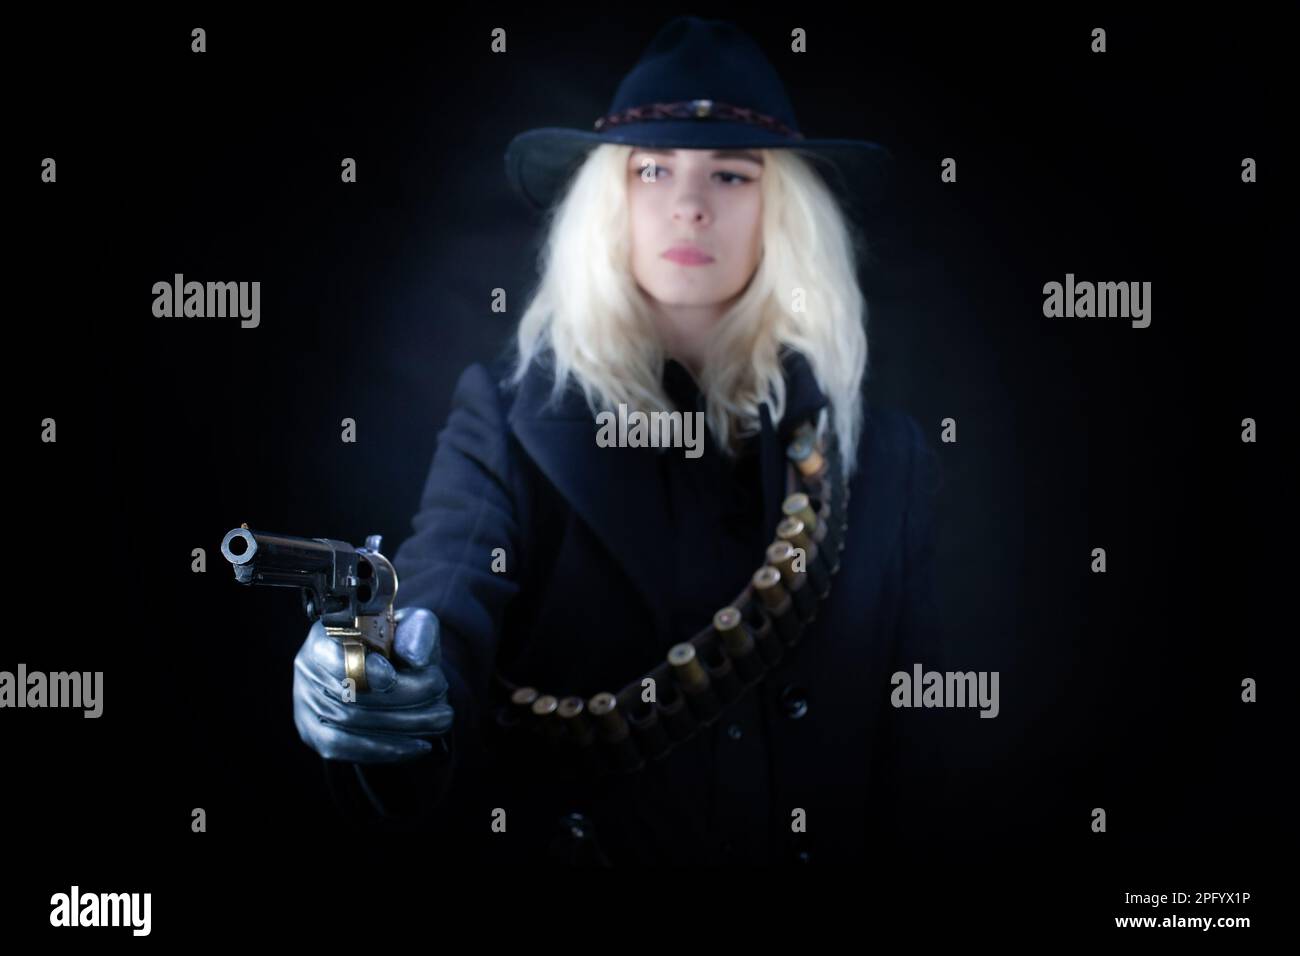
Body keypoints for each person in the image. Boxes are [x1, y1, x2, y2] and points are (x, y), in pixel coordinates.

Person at [291, 15, 943, 865]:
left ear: (785, 211)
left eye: (734, 176)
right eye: (653, 169)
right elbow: (442, 597)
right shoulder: (505, 417)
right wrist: (382, 684)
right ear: (613, 197)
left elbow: (919, 770)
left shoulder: (881, 461)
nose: (690, 204)